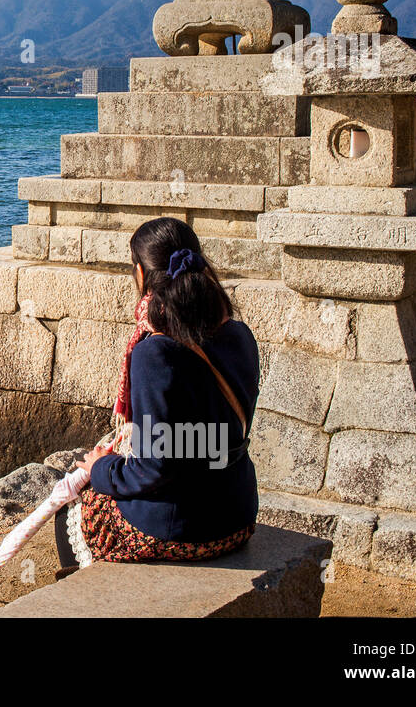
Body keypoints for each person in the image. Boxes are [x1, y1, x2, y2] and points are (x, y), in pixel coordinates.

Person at [54, 216, 261, 574]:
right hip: (238, 515)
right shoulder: (239, 334)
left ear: (141, 274)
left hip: (187, 528)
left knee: (73, 508)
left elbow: (155, 468)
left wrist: (100, 468)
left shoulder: (155, 354)